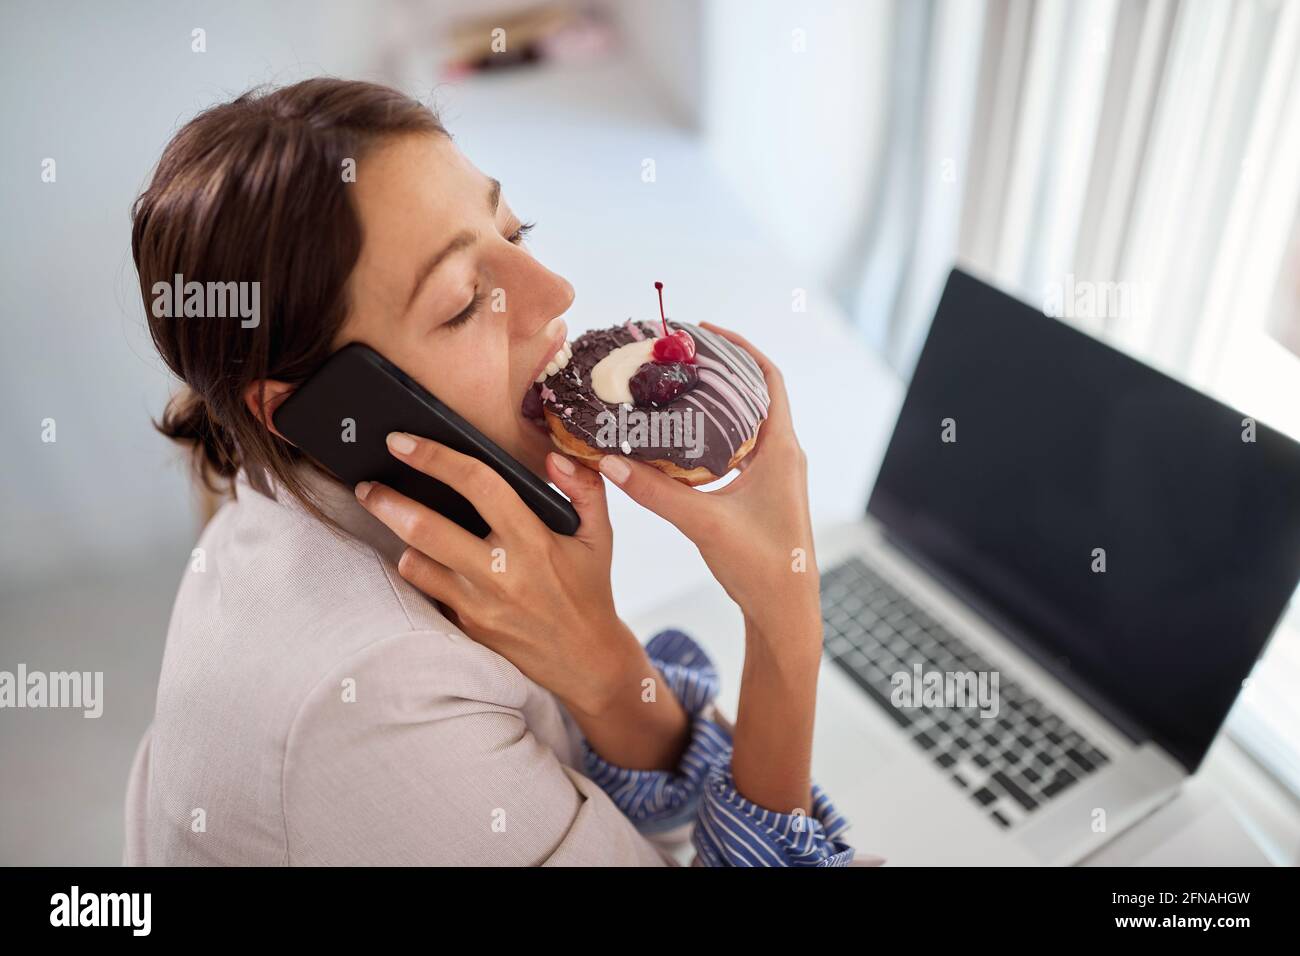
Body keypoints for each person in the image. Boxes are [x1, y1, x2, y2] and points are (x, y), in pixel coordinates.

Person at [124, 78, 857, 866]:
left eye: (514, 230)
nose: (555, 294)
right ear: (315, 408)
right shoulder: (381, 700)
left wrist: (605, 666)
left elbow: (649, 813)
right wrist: (786, 626)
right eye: (466, 301)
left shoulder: (298, 486)